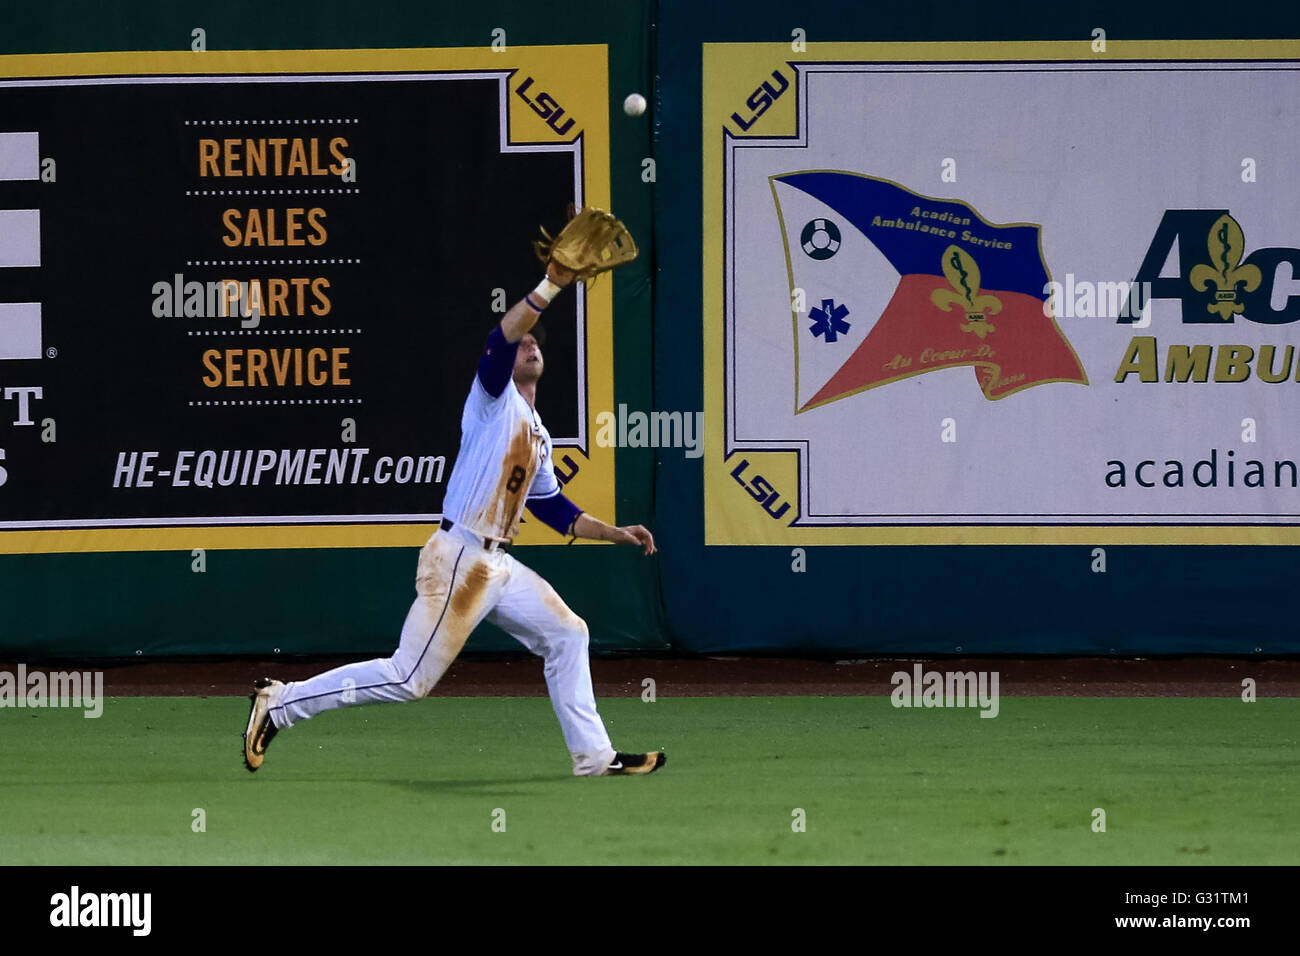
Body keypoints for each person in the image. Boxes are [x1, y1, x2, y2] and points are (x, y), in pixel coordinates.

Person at [242, 255, 664, 777]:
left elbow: (554, 508)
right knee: (408, 678)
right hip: (461, 556)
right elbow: (503, 335)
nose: (531, 345)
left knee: (568, 634)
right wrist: (551, 285)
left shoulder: (536, 433)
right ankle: (282, 702)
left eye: (537, 344)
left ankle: (595, 756)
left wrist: (615, 533)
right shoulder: (493, 400)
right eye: (524, 344)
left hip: (498, 566)